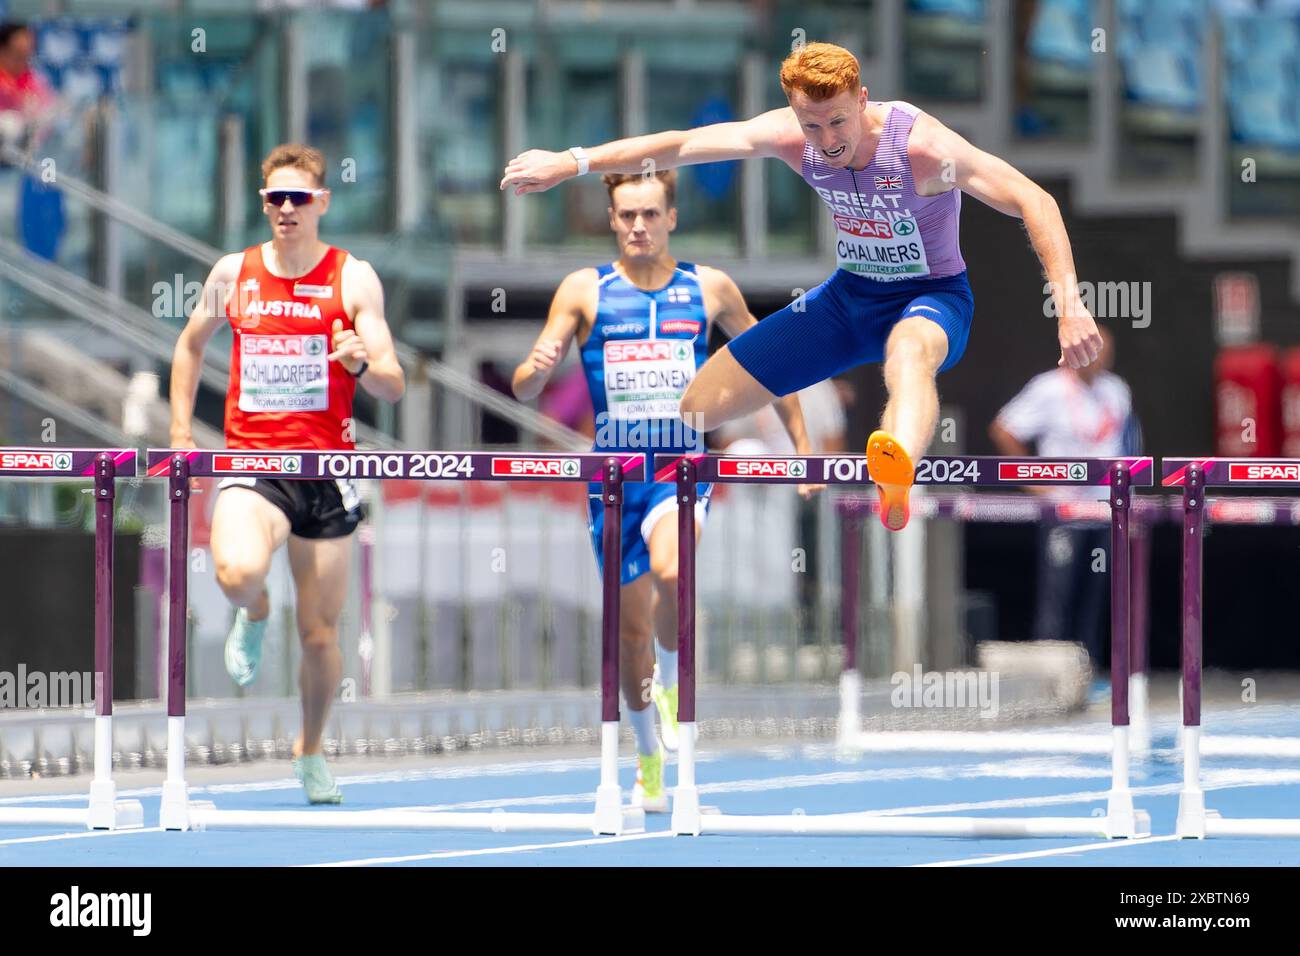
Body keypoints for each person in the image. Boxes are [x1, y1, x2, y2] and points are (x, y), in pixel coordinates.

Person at [501, 41, 1104, 531]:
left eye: (839, 120)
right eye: (812, 125)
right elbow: (680, 147)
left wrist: (1070, 305)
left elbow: (1034, 198)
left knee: (908, 354)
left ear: (862, 100)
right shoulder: (794, 138)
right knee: (698, 409)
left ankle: (897, 468)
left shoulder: (922, 149)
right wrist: (572, 161)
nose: (828, 139)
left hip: (932, 297)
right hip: (847, 300)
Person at [512, 169, 817, 811]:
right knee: (628, 636)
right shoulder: (583, 290)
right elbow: (526, 384)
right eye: (626, 216)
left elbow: (774, 360)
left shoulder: (708, 289)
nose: (638, 227)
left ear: (672, 217)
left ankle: (677, 682)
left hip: (679, 469)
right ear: (611, 218)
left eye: (650, 214)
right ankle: (647, 752)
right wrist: (534, 373)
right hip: (613, 479)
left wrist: (802, 447)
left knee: (674, 572)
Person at [168, 144, 404, 804]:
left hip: (329, 472)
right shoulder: (233, 273)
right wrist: (182, 434)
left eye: (299, 198)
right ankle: (255, 610)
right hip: (256, 463)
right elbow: (189, 345)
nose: (287, 210)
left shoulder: (352, 278)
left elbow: (393, 383)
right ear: (263, 204)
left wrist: (360, 363)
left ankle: (311, 747)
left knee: (322, 635)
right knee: (236, 572)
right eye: (276, 199)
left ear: (323, 203)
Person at [989, 326, 1140, 667]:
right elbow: (1003, 428)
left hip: (1105, 510)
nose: (1101, 357)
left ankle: (1092, 673)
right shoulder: (1049, 387)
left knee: (1099, 598)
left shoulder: (1116, 390)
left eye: (1106, 350)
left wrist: (1129, 499)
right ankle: (1050, 678)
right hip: (1062, 512)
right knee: (1057, 599)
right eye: (1095, 349)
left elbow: (1128, 446)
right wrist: (1036, 484)